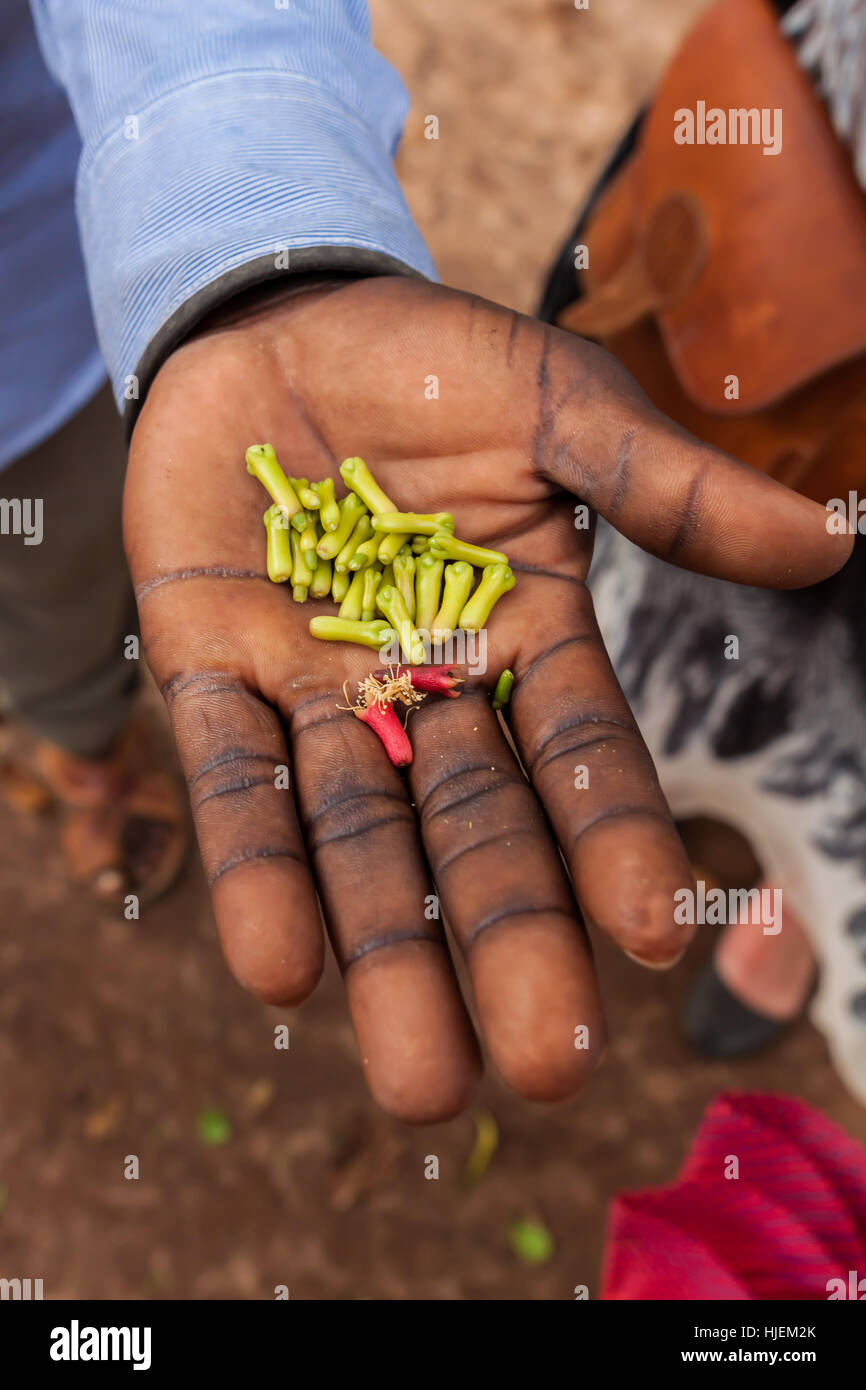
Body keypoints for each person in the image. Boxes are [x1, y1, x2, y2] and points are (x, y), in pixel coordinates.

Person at [0, 0, 850, 1122]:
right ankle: (75, 740)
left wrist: (245, 248)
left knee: (59, 578)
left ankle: (83, 744)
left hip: (49, 326)